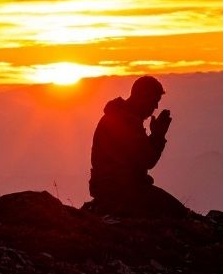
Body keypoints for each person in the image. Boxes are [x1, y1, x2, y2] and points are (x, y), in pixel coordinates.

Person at [82, 76, 193, 219]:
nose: (155, 107)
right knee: (178, 214)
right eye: (154, 101)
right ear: (142, 97)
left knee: (176, 211)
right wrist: (158, 135)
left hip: (117, 187)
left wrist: (155, 136)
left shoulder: (124, 118)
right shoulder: (122, 122)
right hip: (118, 189)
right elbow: (147, 160)